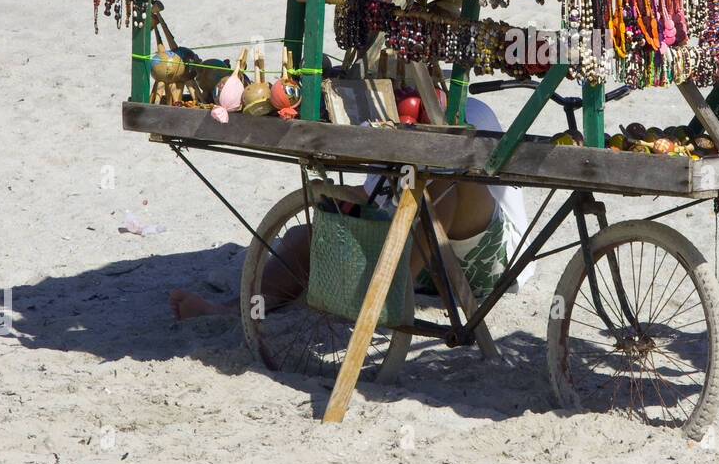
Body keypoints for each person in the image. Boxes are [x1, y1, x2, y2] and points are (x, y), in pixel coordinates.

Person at [168, 96, 531, 320]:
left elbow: (458, 183)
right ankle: (236, 310)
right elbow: (375, 194)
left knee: (441, 185)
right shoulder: (388, 110)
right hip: (409, 249)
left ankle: (378, 303)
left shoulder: (470, 108)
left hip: (480, 261)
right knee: (305, 235)